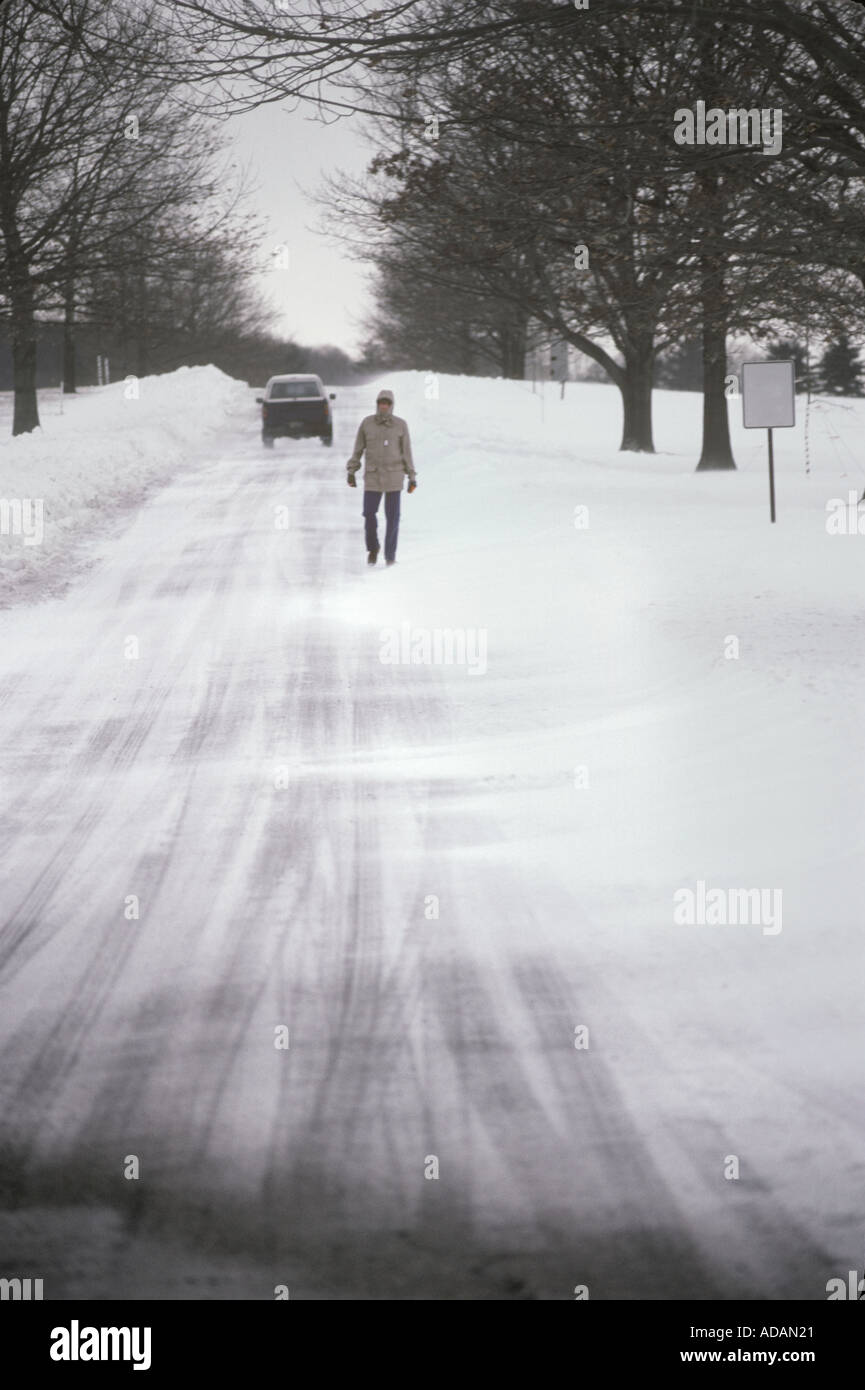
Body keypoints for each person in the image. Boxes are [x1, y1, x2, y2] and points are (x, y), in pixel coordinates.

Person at [347, 388, 417, 565]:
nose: (384, 406)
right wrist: (351, 471)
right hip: (373, 476)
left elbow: (407, 452)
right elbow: (358, 449)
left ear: (392, 405)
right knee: (369, 513)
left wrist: (411, 476)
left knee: (393, 517)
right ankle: (373, 547)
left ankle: (390, 556)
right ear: (377, 404)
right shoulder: (367, 424)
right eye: (381, 403)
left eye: (387, 403)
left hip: (394, 476)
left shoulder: (400, 425)